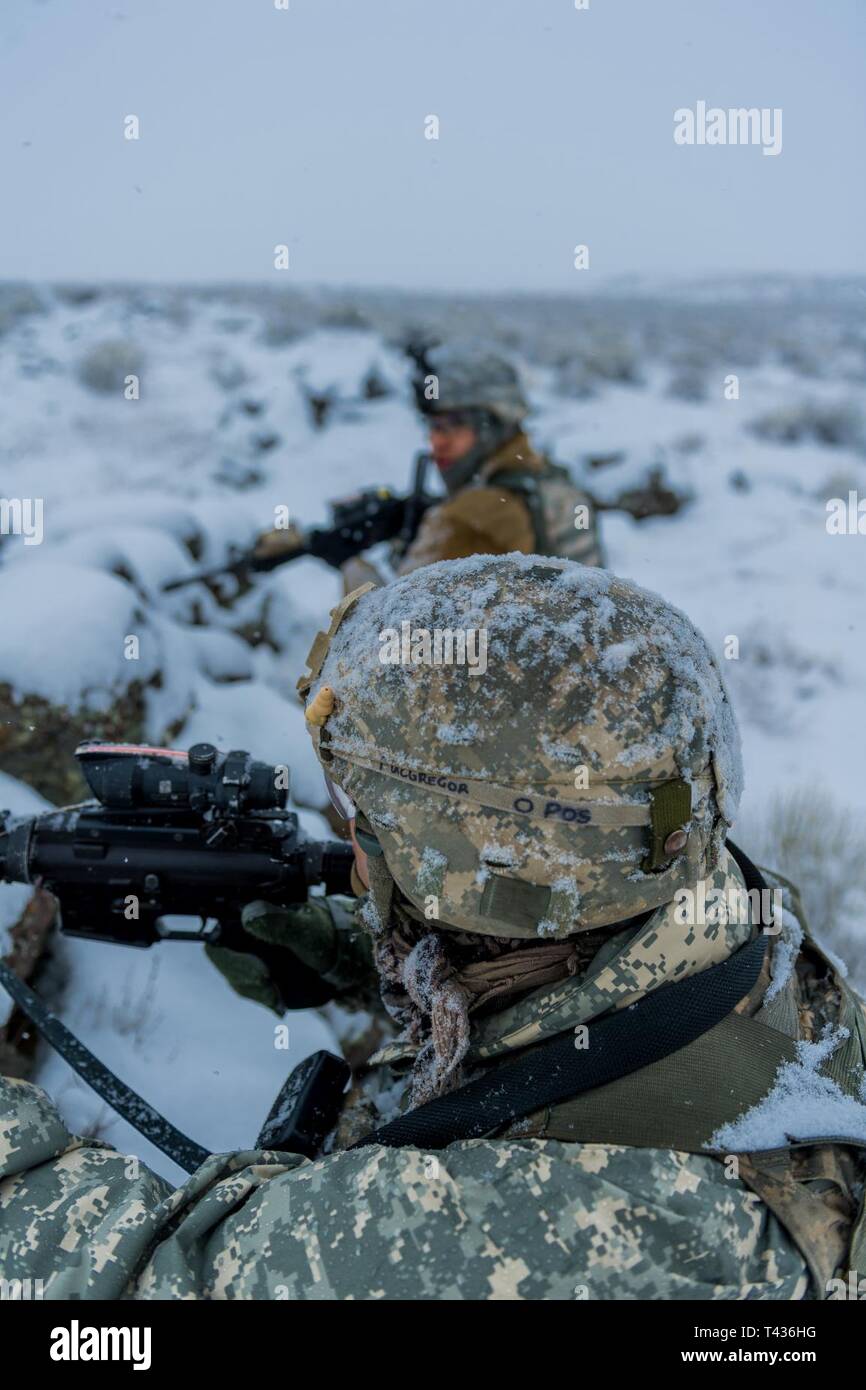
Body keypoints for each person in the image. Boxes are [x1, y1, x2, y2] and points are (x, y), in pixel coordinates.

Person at [2, 555, 864, 1300]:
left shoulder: (546, 1227)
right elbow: (560, 971)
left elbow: (115, 1282)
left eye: (369, 826)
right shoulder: (719, 900)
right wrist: (356, 951)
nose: (351, 849)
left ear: (467, 866)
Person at [254, 344, 604, 591]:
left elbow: (388, 636)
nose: (436, 442)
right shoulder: (554, 487)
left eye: (451, 425)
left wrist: (348, 562)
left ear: (491, 425)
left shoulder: (467, 516)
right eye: (433, 426)